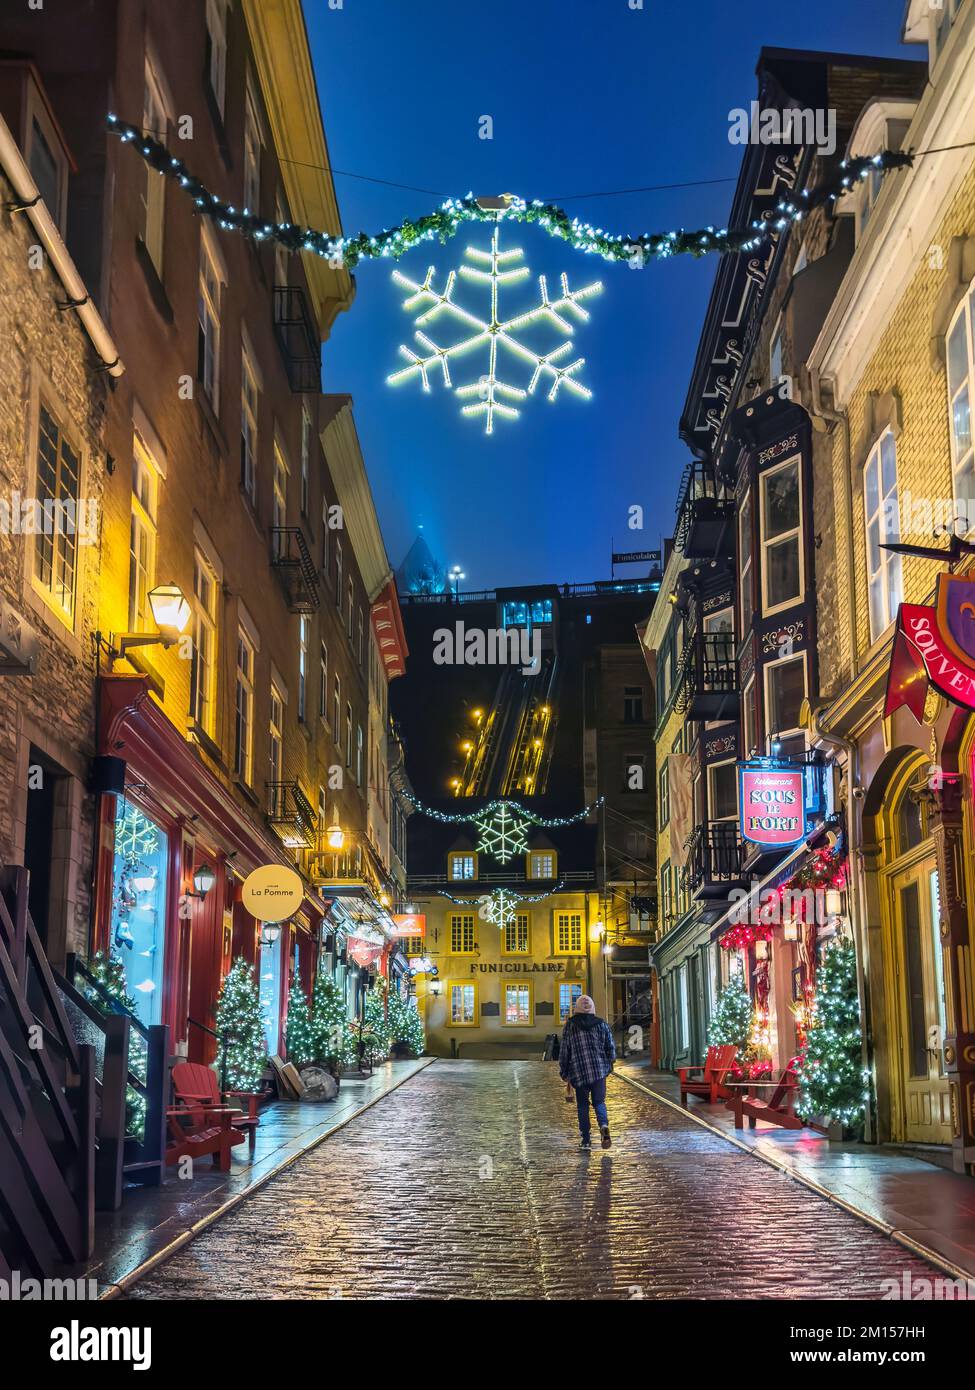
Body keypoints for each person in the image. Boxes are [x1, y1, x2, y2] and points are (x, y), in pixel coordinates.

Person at [558, 994, 616, 1149]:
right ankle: (604, 1126)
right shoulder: (602, 1025)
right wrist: (610, 1064)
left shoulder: (570, 1026)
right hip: (599, 1071)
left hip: (579, 1072)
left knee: (583, 1106)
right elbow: (610, 1047)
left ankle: (585, 1140)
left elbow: (565, 1051)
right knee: (599, 1102)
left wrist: (564, 1071)